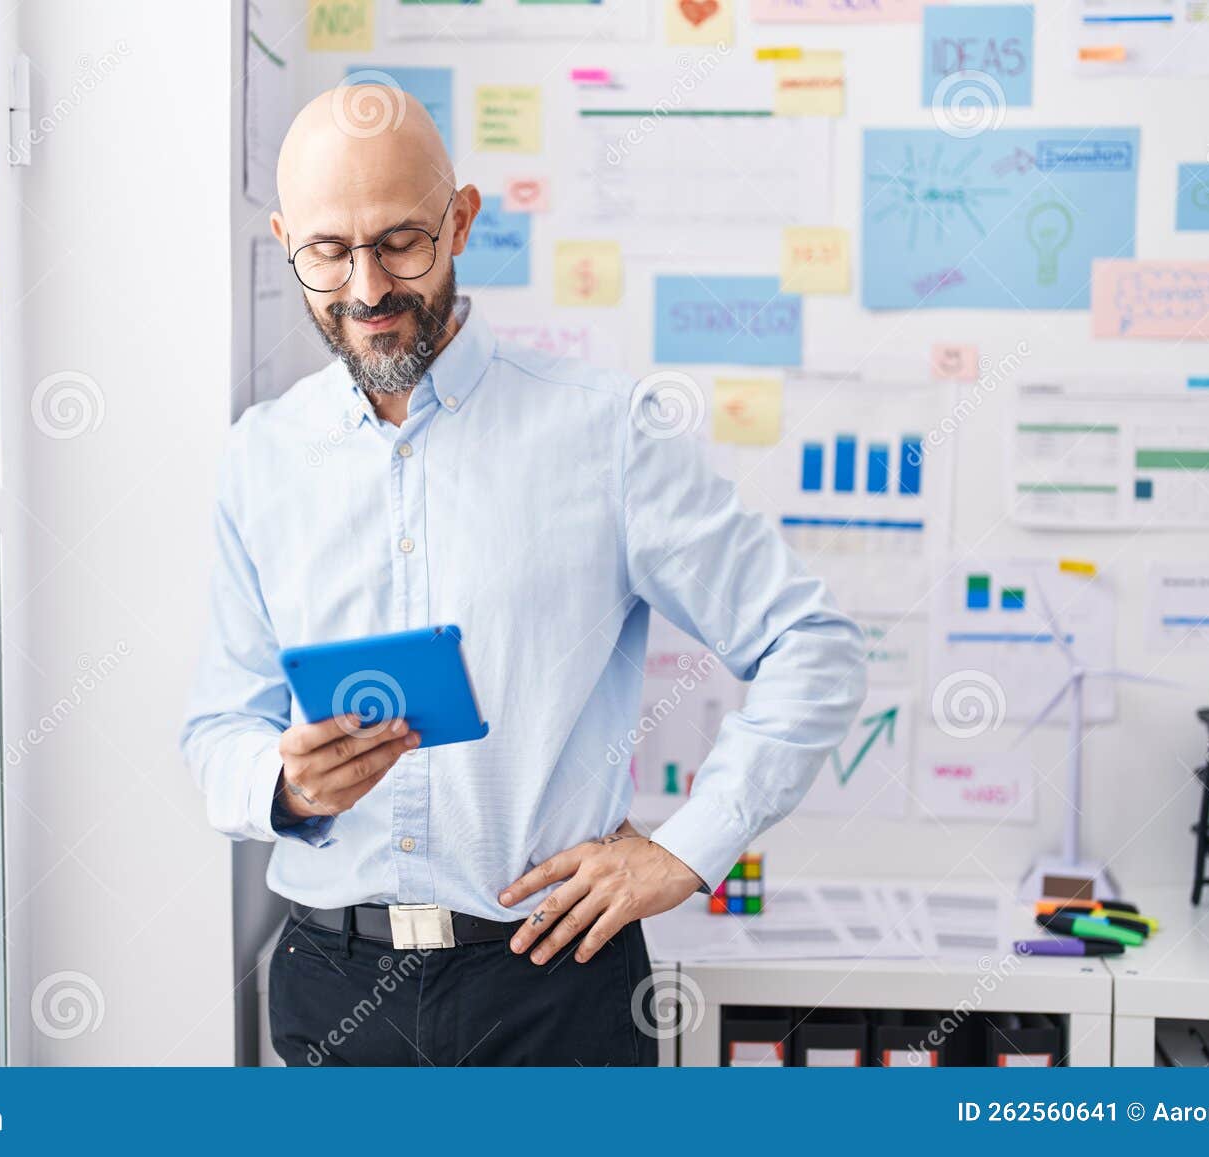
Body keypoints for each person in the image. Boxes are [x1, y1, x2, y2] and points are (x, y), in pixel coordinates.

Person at [181, 87, 866, 1067]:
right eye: (329, 251)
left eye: (403, 240)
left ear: (462, 218)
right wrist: (278, 783)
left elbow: (813, 645)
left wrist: (688, 847)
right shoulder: (261, 456)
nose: (368, 286)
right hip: (329, 980)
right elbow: (217, 723)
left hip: (549, 984)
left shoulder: (604, 434)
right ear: (289, 241)